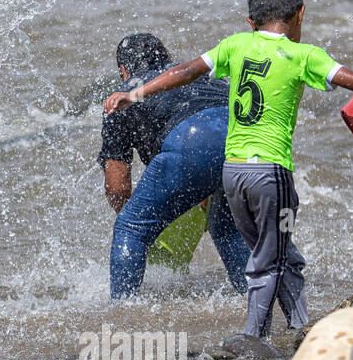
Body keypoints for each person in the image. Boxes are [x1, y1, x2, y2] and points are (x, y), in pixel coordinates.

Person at [104, 0, 353, 340]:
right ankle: (278, 326)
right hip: (246, 152)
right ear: (301, 14)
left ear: (250, 22)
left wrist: (133, 97)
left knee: (133, 228)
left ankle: (123, 321)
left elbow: (117, 185)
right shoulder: (302, 54)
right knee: (241, 236)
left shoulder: (233, 47)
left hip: (229, 162)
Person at [98, 33, 249, 300]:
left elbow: (117, 187)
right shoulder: (202, 77)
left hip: (194, 142)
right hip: (247, 144)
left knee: (131, 227)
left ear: (124, 71)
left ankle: (122, 314)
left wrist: (147, 225)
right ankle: (256, 301)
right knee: (225, 225)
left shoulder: (123, 96)